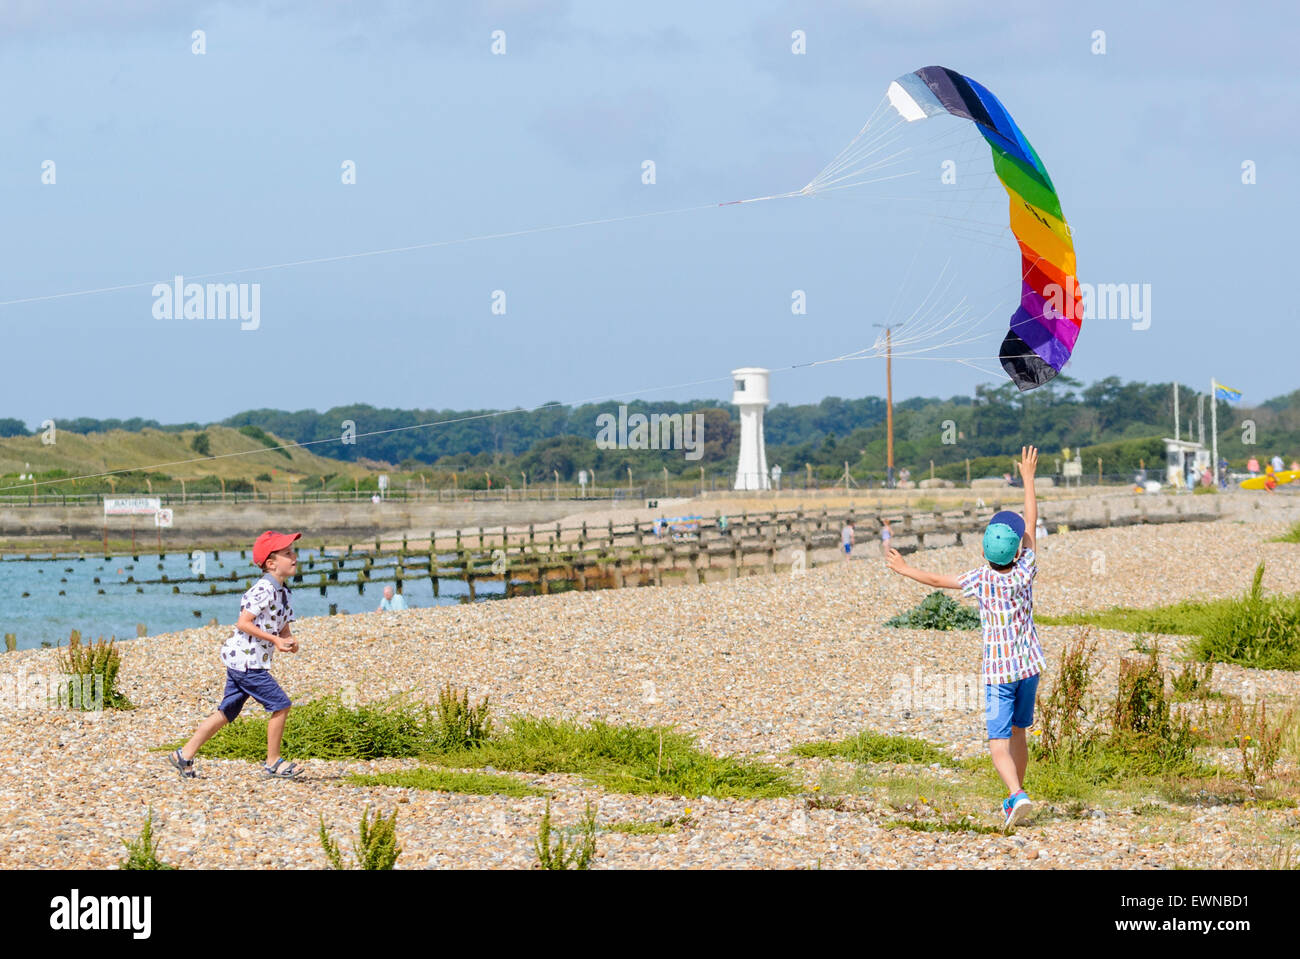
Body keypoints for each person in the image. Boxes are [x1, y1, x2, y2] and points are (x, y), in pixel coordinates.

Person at [886, 446, 1044, 830]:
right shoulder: (1025, 569)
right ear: (1018, 547)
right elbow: (1032, 524)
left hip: (998, 674)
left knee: (996, 741)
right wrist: (1028, 478)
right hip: (1029, 668)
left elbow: (940, 581)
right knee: (1020, 731)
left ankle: (1016, 795)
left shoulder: (980, 579)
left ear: (985, 548)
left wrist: (904, 568)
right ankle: (1015, 795)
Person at [169, 530, 304, 780]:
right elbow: (244, 622)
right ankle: (273, 761)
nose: (294, 557)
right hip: (246, 661)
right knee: (281, 705)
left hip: (246, 660)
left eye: (293, 552)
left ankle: (183, 754)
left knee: (226, 712)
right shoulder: (263, 589)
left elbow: (281, 624)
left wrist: (287, 640)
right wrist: (275, 640)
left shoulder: (284, 592)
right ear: (270, 563)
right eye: (287, 554)